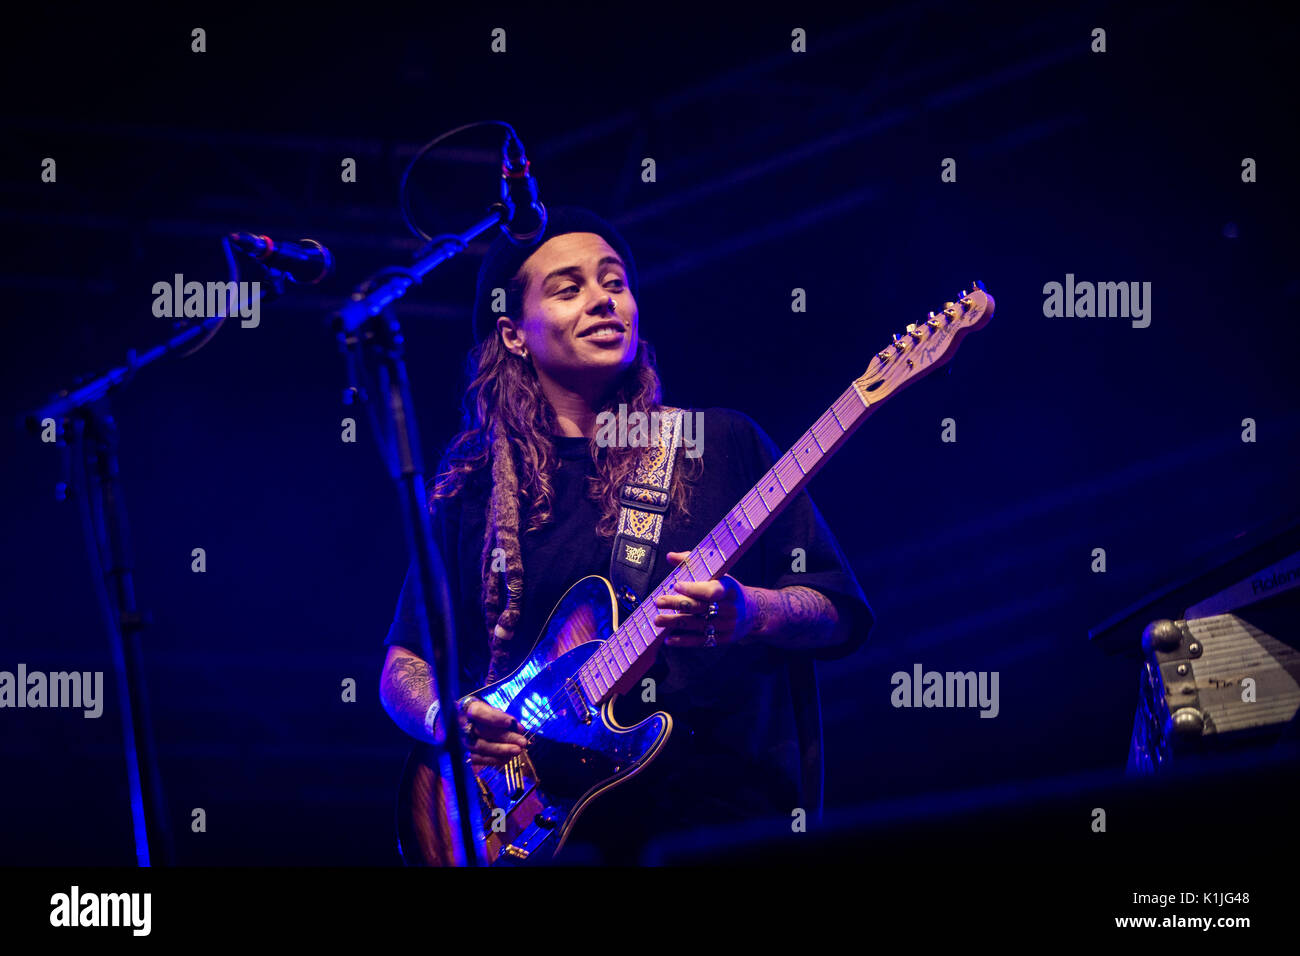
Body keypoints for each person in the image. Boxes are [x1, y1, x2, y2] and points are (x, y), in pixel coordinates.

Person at [379, 206, 873, 863]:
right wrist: (446, 721)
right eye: (569, 288)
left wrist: (753, 611)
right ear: (514, 334)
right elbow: (401, 666)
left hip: (721, 824)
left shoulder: (718, 442)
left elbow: (836, 614)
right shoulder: (471, 497)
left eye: (614, 282)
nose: (603, 301)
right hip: (550, 838)